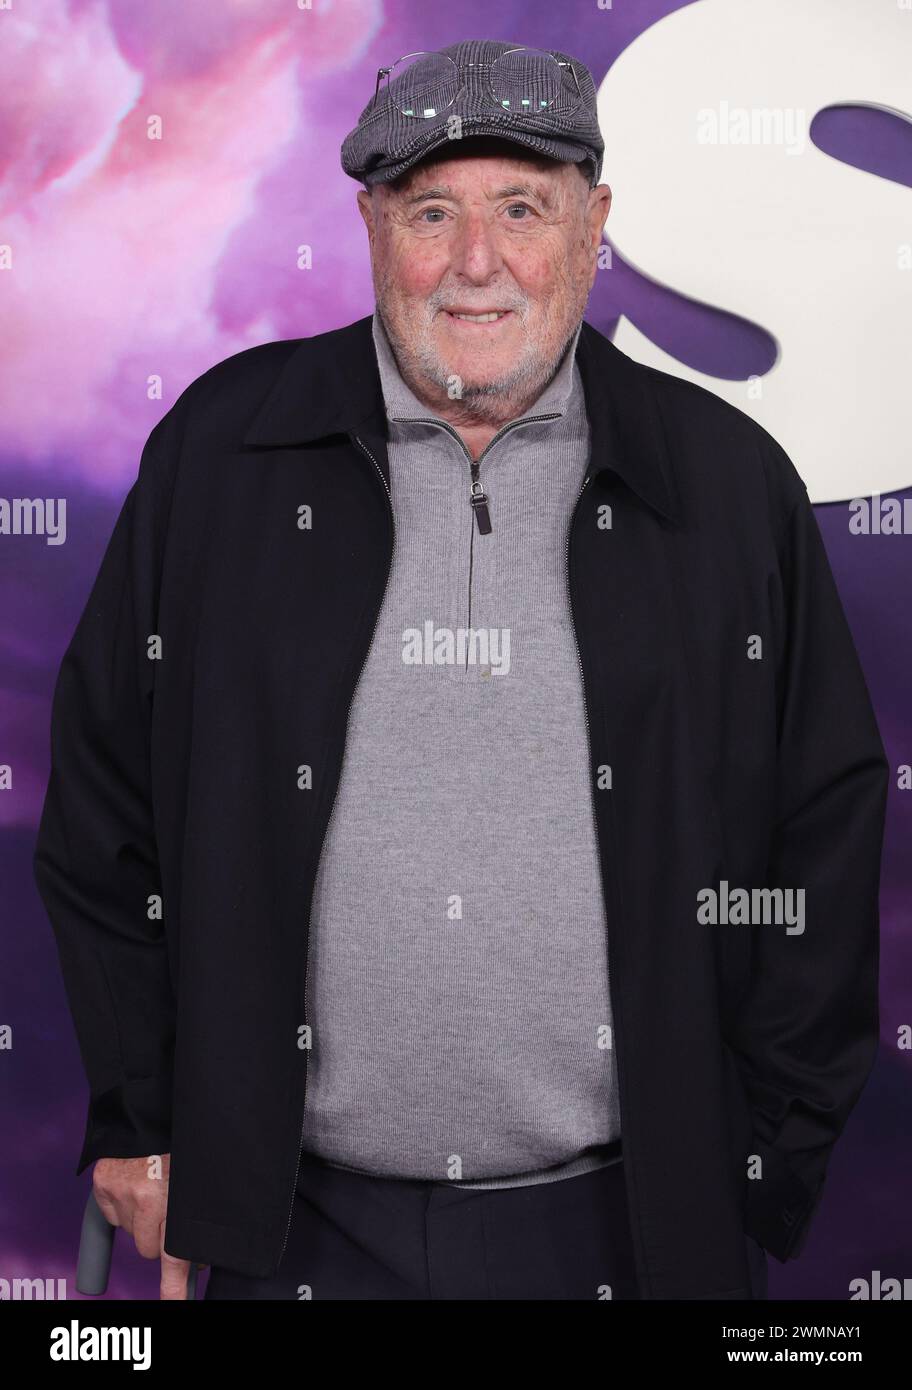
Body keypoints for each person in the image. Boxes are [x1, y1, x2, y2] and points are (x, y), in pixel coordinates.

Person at [34, 39, 887, 1301]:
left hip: (629, 1233)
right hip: (295, 1230)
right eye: (432, 210)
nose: (476, 262)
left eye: (522, 208)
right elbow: (104, 812)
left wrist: (758, 1160)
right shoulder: (223, 453)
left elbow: (823, 832)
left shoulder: (722, 482)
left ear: (595, 227)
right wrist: (144, 1117)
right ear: (373, 225)